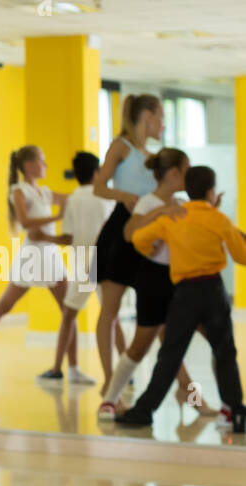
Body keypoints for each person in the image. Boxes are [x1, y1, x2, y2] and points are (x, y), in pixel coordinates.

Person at [117, 165, 246, 432]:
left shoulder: (175, 216)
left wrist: (152, 251)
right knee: (224, 352)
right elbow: (240, 256)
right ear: (211, 191)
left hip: (184, 294)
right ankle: (236, 412)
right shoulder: (218, 218)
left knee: (171, 355)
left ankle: (143, 411)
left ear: (187, 190)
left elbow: (139, 239)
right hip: (213, 292)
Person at [99, 148, 217, 420]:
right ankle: (109, 400)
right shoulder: (148, 202)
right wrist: (164, 211)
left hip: (180, 279)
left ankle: (193, 395)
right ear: (175, 173)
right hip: (153, 281)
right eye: (187, 169)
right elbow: (130, 233)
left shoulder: (180, 202)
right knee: (140, 348)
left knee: (194, 341)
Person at [0, 145, 92, 385]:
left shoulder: (44, 192)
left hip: (50, 255)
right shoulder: (18, 190)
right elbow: (25, 221)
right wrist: (57, 217)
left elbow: (74, 198)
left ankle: (74, 367)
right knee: (4, 306)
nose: (46, 166)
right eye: (42, 161)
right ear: (28, 165)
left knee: (69, 310)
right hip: (32, 255)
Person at [91, 94, 165, 393]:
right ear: (147, 116)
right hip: (118, 234)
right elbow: (98, 186)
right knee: (109, 311)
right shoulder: (121, 146)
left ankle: (184, 386)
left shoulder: (153, 155)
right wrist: (123, 196)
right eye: (161, 116)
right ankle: (110, 381)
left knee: (158, 314)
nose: (163, 124)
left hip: (147, 234)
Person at [45, 151, 113, 380]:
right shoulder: (107, 197)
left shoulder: (74, 198)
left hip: (85, 265)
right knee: (111, 316)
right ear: (96, 172)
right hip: (106, 263)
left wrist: (47, 239)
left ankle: (56, 369)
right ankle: (125, 372)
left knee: (68, 315)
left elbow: (68, 237)